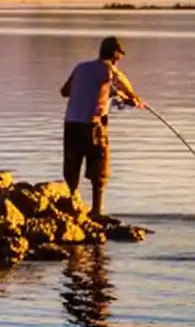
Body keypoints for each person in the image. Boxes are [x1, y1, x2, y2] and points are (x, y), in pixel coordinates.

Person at [60, 36, 147, 218]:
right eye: (119, 55)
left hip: (71, 124)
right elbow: (126, 87)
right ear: (114, 54)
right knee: (100, 167)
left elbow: (64, 91)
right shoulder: (110, 70)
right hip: (92, 126)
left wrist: (105, 92)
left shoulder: (81, 68)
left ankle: (71, 204)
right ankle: (96, 211)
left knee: (72, 165)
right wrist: (135, 100)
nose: (120, 59)